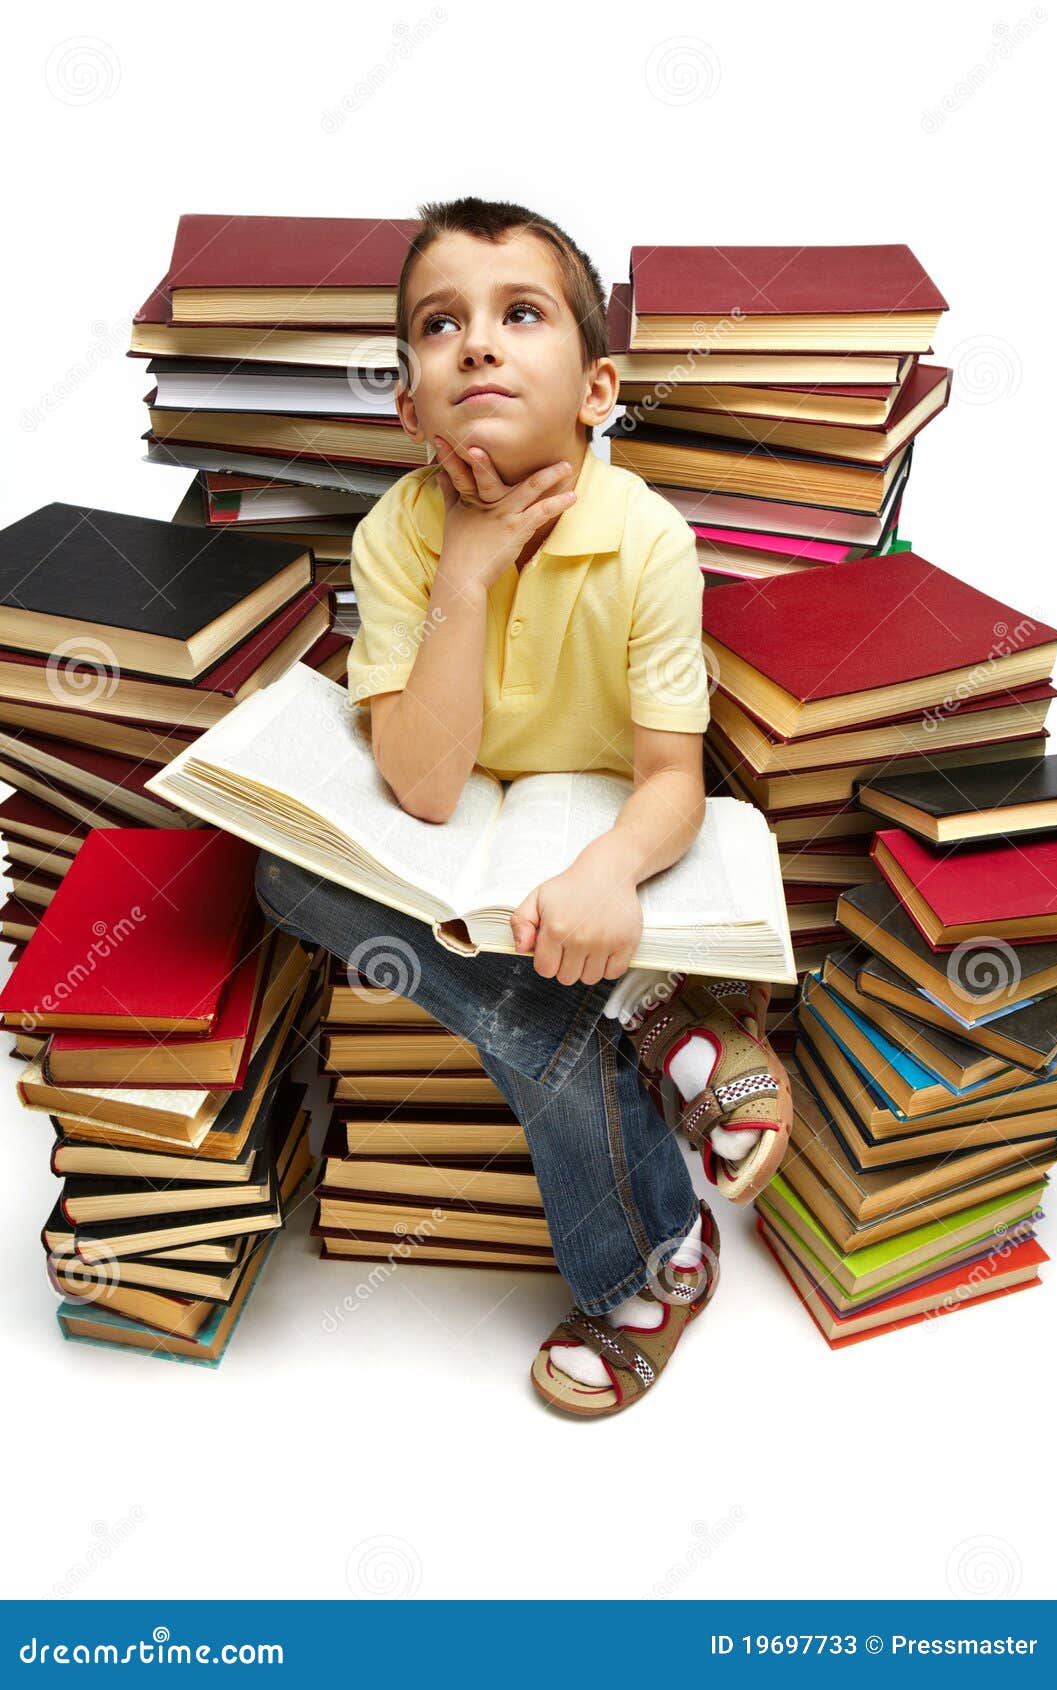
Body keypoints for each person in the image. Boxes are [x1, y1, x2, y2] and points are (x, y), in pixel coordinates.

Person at [255, 195, 792, 1418]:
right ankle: (648, 1014)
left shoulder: (647, 538)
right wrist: (465, 567)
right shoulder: (397, 534)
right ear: (408, 405)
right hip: (459, 842)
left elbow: (672, 782)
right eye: (440, 325)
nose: (479, 345)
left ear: (597, 389)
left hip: (597, 846)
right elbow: (425, 783)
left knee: (535, 1016)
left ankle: (653, 1260)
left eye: (521, 315)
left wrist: (606, 873)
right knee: (282, 873)